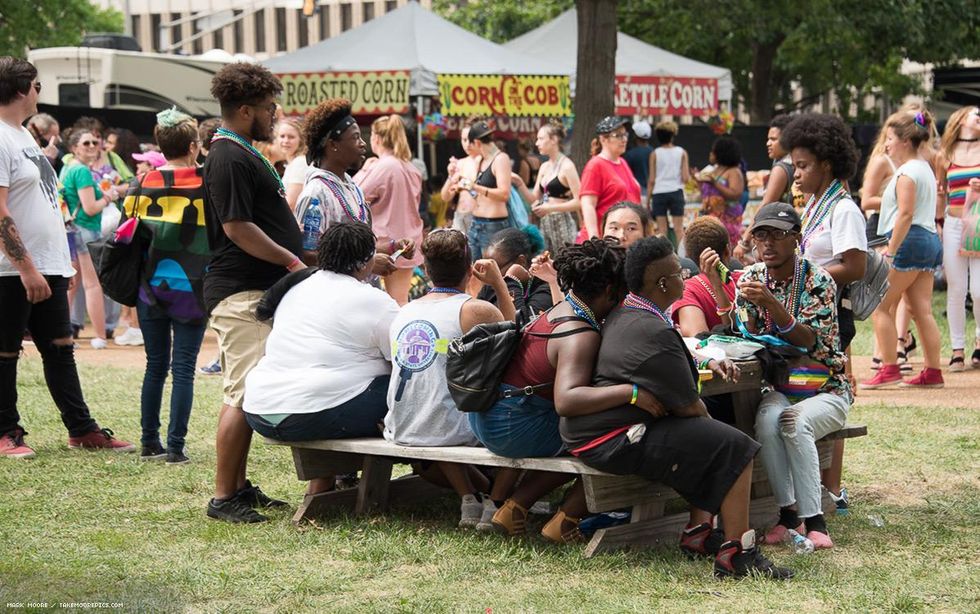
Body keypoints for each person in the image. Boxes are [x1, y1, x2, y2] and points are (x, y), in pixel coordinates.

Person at [561, 236, 792, 579]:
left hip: (598, 430)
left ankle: (699, 532)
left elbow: (672, 364)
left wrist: (701, 360)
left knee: (714, 439)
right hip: (608, 438)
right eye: (679, 274)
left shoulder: (632, 311)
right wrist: (716, 434)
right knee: (736, 447)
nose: (686, 279)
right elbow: (688, 408)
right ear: (663, 283)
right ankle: (738, 554)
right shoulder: (652, 330)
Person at [472, 238, 662, 542]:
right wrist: (633, 392)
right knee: (615, 436)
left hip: (495, 416)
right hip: (512, 424)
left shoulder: (562, 310)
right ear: (610, 291)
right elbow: (568, 400)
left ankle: (515, 508)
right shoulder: (579, 333)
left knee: (597, 426)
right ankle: (566, 519)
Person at [0, 56, 134, 458]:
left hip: (50, 265)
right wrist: (27, 269)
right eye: (37, 85)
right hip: (12, 271)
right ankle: (6, 432)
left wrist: (59, 264)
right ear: (23, 88)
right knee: (5, 352)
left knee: (60, 349)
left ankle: (81, 429)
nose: (40, 92)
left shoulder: (22, 135)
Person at [202, 62, 304, 524]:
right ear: (244, 110)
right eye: (267, 107)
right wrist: (290, 259)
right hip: (240, 291)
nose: (273, 114)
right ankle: (224, 497)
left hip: (256, 289)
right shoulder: (227, 156)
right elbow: (237, 227)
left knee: (249, 388)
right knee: (242, 393)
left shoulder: (241, 150)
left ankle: (240, 487)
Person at [245, 222, 398, 496]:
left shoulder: (296, 288)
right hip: (309, 413)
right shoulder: (373, 299)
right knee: (404, 389)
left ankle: (323, 485)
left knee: (343, 384)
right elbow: (402, 361)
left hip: (260, 409)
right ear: (366, 262)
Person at [734, 203, 851, 550]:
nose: (767, 243)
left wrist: (772, 305)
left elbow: (809, 340)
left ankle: (815, 520)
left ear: (796, 240)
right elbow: (746, 334)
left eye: (777, 235)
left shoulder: (818, 280)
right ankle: (788, 515)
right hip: (783, 384)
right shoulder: (752, 277)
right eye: (760, 235)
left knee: (793, 422)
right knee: (767, 419)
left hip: (826, 387)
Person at [383, 229, 511, 528]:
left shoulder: (403, 311)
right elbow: (517, 340)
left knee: (439, 402)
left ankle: (470, 497)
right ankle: (496, 497)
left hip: (403, 425)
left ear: (426, 270)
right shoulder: (475, 309)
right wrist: (499, 284)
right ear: (470, 268)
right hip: (448, 428)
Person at [779, 113, 867, 515]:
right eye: (794, 165)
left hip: (829, 320)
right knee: (804, 391)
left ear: (826, 165)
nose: (795, 175)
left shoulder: (843, 209)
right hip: (807, 316)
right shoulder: (815, 204)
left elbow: (854, 265)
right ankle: (815, 485)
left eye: (802, 166)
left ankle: (828, 489)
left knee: (819, 390)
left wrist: (802, 274)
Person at [123, 107, 210, 465]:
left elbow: (125, 230)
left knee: (154, 365)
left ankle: (148, 442)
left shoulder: (143, 182)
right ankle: (176, 447)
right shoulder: (207, 184)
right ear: (193, 146)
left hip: (150, 286)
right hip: (193, 287)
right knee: (184, 368)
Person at [861, 109, 944, 389]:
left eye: (891, 139)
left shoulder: (907, 171)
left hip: (910, 241)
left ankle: (889, 368)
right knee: (921, 309)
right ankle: (933, 372)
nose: (887, 144)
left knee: (880, 307)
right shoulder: (924, 167)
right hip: (929, 240)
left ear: (905, 141)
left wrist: (892, 250)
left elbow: (905, 214)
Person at [294, 99, 408, 278]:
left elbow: (350, 247)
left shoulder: (351, 186)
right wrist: (367, 264)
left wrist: (392, 247)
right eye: (355, 137)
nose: (363, 144)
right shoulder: (316, 194)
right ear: (333, 145)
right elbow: (307, 255)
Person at [60, 129, 121, 349]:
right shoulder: (82, 172)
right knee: (92, 284)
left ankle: (63, 333)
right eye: (86, 143)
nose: (92, 146)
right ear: (75, 148)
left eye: (95, 142)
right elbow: (90, 208)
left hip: (70, 231)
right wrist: (108, 197)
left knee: (71, 284)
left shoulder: (68, 167)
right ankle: (100, 336)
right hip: (85, 231)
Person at [355, 114, 424, 305]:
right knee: (400, 301)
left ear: (376, 138)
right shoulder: (410, 167)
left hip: (385, 242)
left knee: (377, 303)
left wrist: (365, 169)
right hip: (409, 240)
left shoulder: (383, 166)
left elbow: (355, 194)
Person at [935, 105, 980, 371]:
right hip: (952, 223)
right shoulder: (945, 154)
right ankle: (957, 350)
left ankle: (979, 344)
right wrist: (938, 223)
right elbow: (942, 192)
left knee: (979, 290)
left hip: (978, 225)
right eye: (976, 114)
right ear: (962, 118)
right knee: (956, 288)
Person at [511, 121, 580, 254]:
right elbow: (534, 199)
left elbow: (579, 201)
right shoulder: (544, 166)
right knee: (546, 263)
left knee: (563, 261)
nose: (537, 143)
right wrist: (519, 183)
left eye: (541, 138)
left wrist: (549, 208)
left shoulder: (567, 166)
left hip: (562, 221)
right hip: (545, 222)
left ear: (554, 140)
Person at [734, 114, 794, 263]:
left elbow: (766, 205)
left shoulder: (781, 168)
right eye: (768, 139)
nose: (768, 143)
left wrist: (745, 241)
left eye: (773, 139)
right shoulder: (791, 163)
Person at [672, 216, 741, 337]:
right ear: (727, 250)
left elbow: (698, 344)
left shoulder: (687, 291)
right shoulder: (748, 279)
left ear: (688, 255)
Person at [577, 116, 641, 242]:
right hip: (605, 241)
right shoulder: (595, 165)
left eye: (625, 135)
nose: (624, 140)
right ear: (603, 139)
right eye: (618, 135)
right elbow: (587, 204)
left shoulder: (622, 162)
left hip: (624, 240)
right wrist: (595, 240)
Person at [456, 120, 513, 259]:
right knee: (474, 271)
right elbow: (478, 193)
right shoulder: (480, 160)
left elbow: (504, 194)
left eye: (470, 143)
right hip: (476, 222)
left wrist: (476, 187)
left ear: (477, 143)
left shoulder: (500, 159)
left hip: (493, 224)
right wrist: (466, 187)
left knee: (491, 271)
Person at [477, 227, 549, 328]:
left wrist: (511, 280)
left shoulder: (544, 287)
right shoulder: (491, 284)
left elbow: (523, 329)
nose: (490, 272)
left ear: (521, 261)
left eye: (496, 267)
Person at [697, 137, 745, 249]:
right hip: (711, 217)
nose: (710, 154)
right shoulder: (714, 170)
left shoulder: (734, 171)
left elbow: (735, 194)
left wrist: (715, 183)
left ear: (721, 153)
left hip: (728, 219)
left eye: (713, 151)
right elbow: (706, 194)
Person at [648, 120, 690, 249]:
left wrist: (648, 198)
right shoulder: (681, 152)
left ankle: (664, 258)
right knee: (678, 229)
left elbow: (652, 179)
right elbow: (685, 178)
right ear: (672, 135)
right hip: (676, 191)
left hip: (659, 192)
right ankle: (684, 259)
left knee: (662, 230)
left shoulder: (655, 153)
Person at [441, 122, 481, 235]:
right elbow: (446, 196)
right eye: (464, 140)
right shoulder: (461, 163)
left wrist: (465, 184)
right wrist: (450, 176)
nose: (467, 144)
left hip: (479, 217)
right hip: (460, 216)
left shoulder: (486, 162)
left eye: (470, 140)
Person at [275, 118, 308, 213]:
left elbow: (290, 203)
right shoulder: (291, 164)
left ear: (301, 140)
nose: (285, 140)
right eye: (282, 136)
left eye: (291, 137)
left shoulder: (300, 163)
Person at [624, 120, 654, 202]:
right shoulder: (654, 153)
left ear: (635, 136)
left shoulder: (630, 155)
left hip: (636, 194)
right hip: (654, 193)